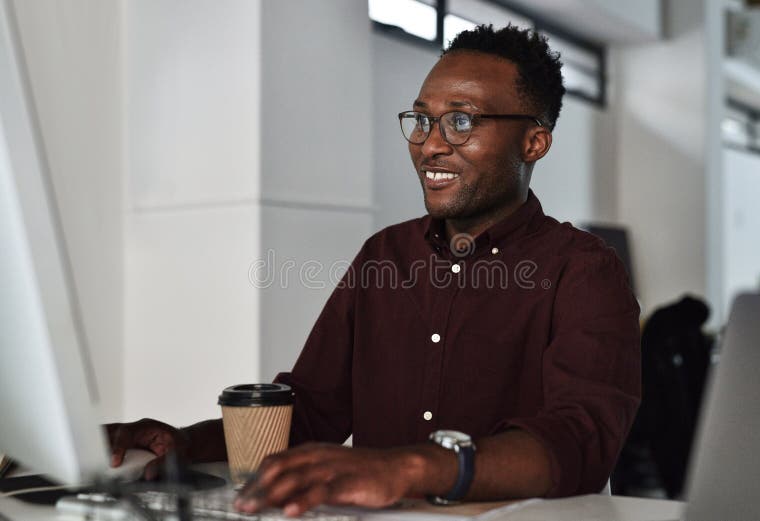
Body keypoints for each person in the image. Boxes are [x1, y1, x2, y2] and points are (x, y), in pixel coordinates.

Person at [107, 25, 640, 516]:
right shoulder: (385, 256)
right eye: (422, 119)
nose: (430, 143)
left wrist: (409, 468)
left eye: (461, 120)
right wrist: (186, 442)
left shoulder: (585, 271)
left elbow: (581, 440)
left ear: (534, 142)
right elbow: (313, 412)